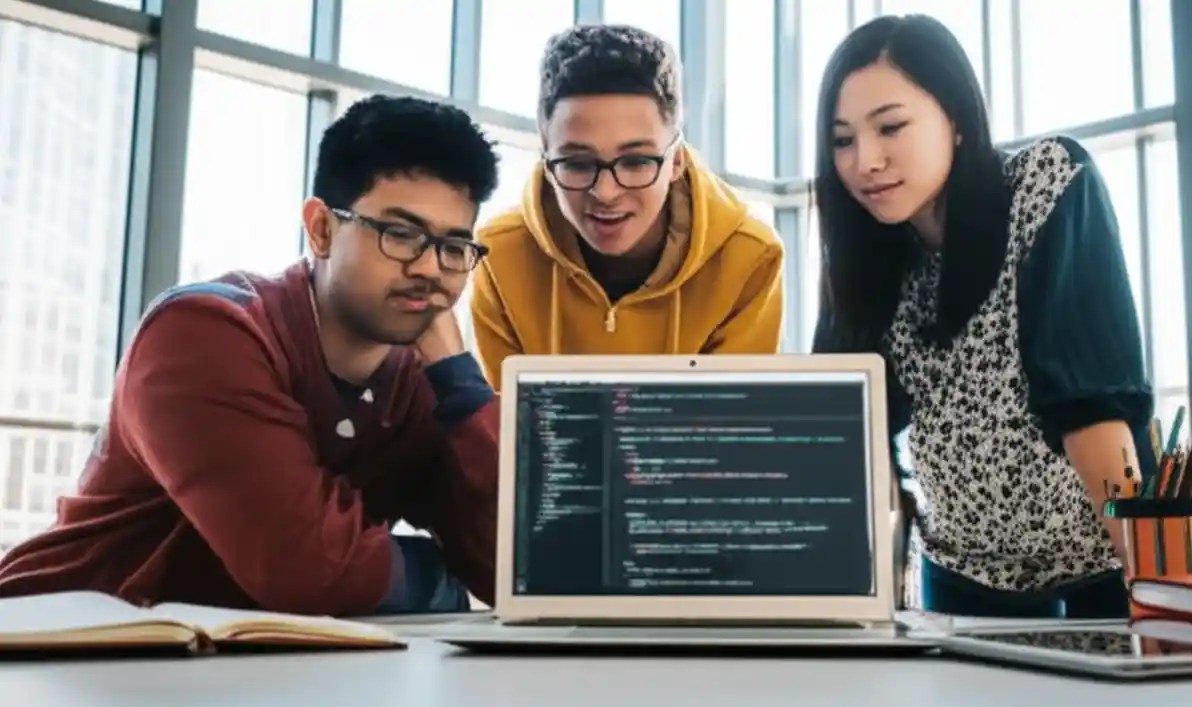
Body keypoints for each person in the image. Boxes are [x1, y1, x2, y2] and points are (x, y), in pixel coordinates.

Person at [0, 95, 502, 616]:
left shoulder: (419, 383)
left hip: (247, 660)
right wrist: (439, 576)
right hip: (61, 643)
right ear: (321, 229)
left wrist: (461, 386)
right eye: (400, 234)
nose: (430, 269)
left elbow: (512, 566)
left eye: (453, 247)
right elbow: (305, 569)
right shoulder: (203, 334)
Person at [811, 16, 1154, 618]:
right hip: (958, 578)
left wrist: (1154, 588)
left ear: (957, 119)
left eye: (890, 126)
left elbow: (1092, 411)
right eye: (842, 140)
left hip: (1096, 570)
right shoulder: (868, 257)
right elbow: (853, 435)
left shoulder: (1046, 183)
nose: (865, 161)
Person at [470, 24, 784, 389]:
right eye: (577, 163)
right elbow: (508, 420)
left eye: (636, 162)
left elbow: (731, 420)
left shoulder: (750, 257)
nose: (605, 193)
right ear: (545, 158)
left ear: (676, 161)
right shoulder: (499, 254)